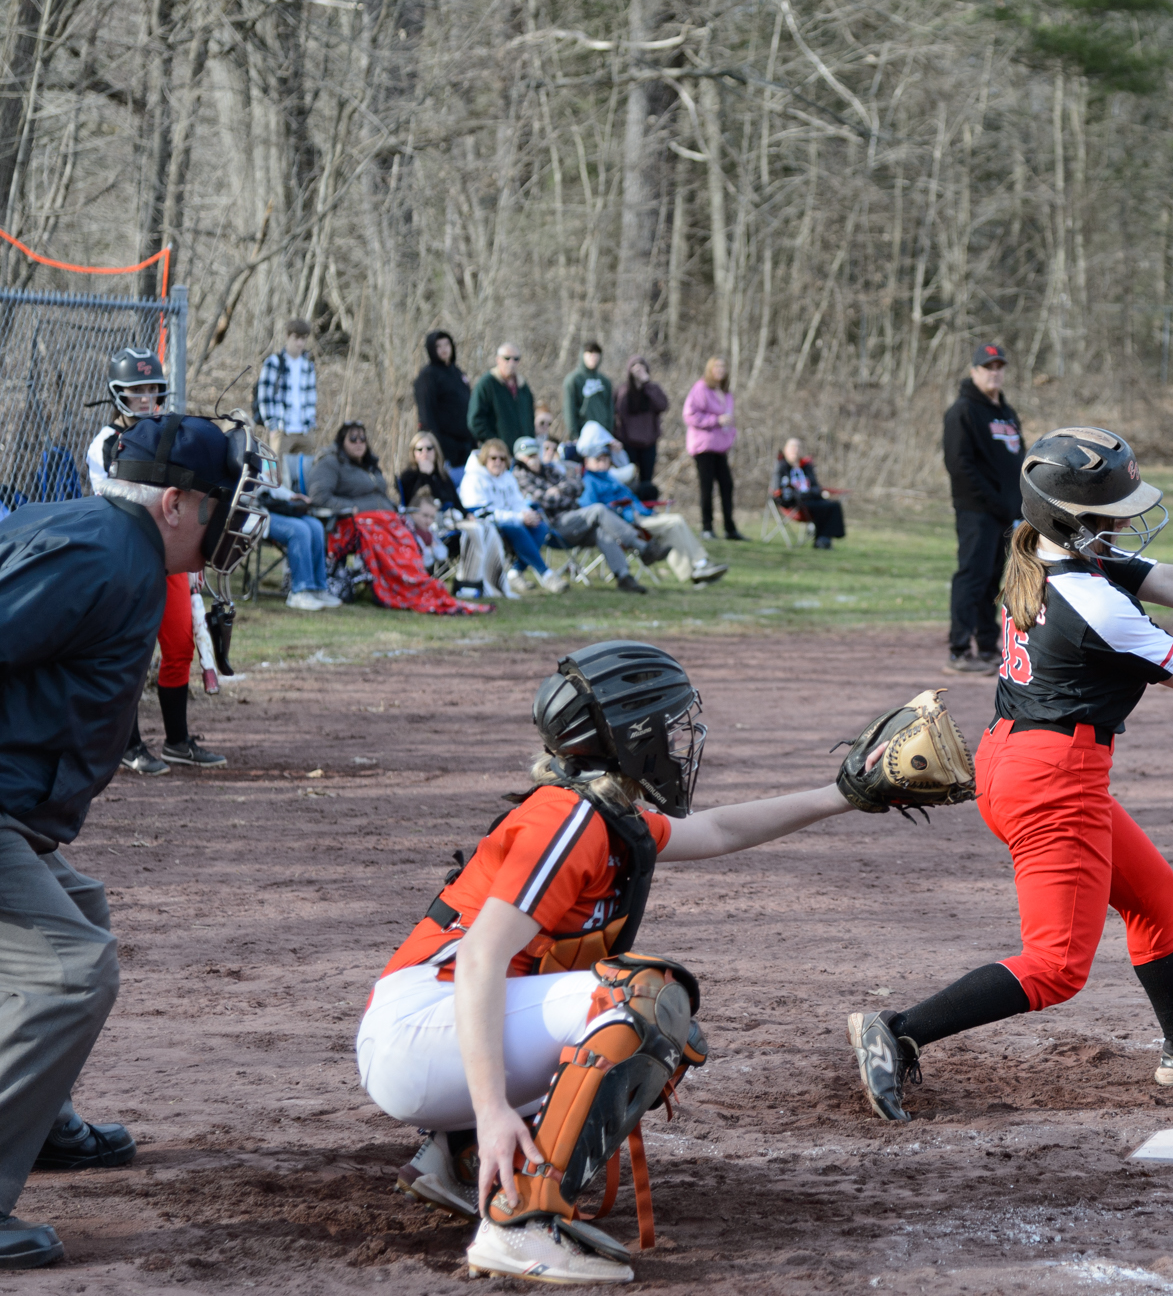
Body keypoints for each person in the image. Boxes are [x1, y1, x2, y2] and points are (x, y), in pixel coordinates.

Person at [356, 642, 943, 1282]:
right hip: (419, 1031)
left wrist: (842, 794)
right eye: (666, 726)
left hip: (430, 1035)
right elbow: (478, 962)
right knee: (638, 1002)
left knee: (656, 1018)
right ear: (631, 736)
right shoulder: (569, 818)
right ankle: (519, 1222)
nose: (679, 739)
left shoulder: (601, 814)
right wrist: (494, 1109)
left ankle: (456, 1159)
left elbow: (717, 831)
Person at [846, 427, 1173, 1123]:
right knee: (1055, 964)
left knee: (1150, 892)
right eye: (1109, 514)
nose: (1123, 522)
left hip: (1021, 760)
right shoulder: (1098, 604)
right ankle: (899, 1030)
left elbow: (1165, 576)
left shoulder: (1046, 558)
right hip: (1054, 781)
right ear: (1072, 522)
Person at [0, 412, 263, 1270]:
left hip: (17, 811)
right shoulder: (105, 555)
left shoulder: (107, 541)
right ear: (177, 501)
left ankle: (36, 1120)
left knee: (79, 905)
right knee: (73, 967)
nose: (235, 517)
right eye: (223, 500)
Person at [85, 349, 226, 772]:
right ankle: (127, 745)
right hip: (130, 556)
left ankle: (177, 741)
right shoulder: (106, 442)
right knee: (134, 651)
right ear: (117, 394)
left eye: (152, 390)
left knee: (180, 645)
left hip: (172, 559)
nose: (146, 399)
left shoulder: (168, 433)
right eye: (136, 391)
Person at [309, 421, 492, 615]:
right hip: (353, 523)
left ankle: (420, 586)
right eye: (352, 438)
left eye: (362, 438)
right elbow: (319, 496)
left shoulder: (369, 466)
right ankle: (399, 590)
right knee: (388, 544)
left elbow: (383, 496)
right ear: (341, 441)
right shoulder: (330, 462)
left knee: (408, 543)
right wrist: (348, 508)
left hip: (387, 520)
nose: (359, 443)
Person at [941, 341, 1023, 674]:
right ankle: (960, 650)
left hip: (1007, 513)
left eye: (999, 366)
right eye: (987, 367)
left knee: (994, 580)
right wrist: (994, 501)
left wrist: (1017, 504)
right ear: (974, 371)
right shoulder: (962, 411)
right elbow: (959, 466)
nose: (994, 372)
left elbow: (1016, 461)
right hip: (977, 511)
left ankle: (988, 647)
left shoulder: (1007, 412)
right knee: (971, 578)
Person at [512, 435, 658, 595]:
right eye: (528, 457)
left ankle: (624, 577)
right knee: (598, 509)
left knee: (602, 532)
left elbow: (578, 486)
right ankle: (641, 547)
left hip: (576, 518)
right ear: (520, 459)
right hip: (556, 526)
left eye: (535, 455)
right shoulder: (520, 476)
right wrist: (562, 492)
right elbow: (546, 501)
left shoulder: (549, 469)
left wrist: (558, 490)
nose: (533, 460)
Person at [575, 440, 727, 585]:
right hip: (625, 522)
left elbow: (631, 498)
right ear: (588, 462)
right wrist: (619, 510)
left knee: (671, 529)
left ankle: (695, 572)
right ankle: (701, 563)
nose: (603, 463)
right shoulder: (588, 482)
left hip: (639, 514)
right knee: (675, 520)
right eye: (598, 460)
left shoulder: (611, 478)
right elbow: (591, 508)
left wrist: (645, 510)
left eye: (606, 459)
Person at [400, 430, 503, 600]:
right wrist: (424, 475)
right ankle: (467, 584)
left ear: (436, 451)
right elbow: (414, 503)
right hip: (430, 523)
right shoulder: (409, 476)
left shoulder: (443, 475)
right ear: (413, 453)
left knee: (486, 528)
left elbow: (456, 502)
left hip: (454, 519)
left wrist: (467, 515)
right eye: (420, 450)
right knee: (474, 531)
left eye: (429, 448)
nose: (425, 453)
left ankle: (492, 582)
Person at [458, 438, 567, 597]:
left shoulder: (507, 478)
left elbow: (517, 502)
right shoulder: (473, 478)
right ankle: (546, 574)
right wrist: (518, 517)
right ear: (484, 459)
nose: (498, 462)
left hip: (510, 520)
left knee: (540, 526)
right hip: (485, 525)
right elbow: (481, 511)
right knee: (515, 527)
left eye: (502, 458)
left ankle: (515, 573)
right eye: (493, 458)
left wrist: (526, 513)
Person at [254, 476, 337, 612]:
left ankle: (318, 589)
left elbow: (267, 482)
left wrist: (291, 496)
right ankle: (300, 591)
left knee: (316, 527)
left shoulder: (258, 455)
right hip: (252, 511)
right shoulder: (236, 456)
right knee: (299, 530)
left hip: (272, 506)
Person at [682, 357, 742, 541]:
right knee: (707, 487)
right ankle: (707, 527)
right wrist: (715, 420)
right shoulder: (701, 388)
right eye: (716, 367)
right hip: (704, 446)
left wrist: (731, 434)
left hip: (720, 447)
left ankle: (729, 528)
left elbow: (729, 418)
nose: (720, 370)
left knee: (727, 485)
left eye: (723, 367)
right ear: (710, 369)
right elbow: (690, 415)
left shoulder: (725, 393)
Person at [414, 331, 477, 478]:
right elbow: (426, 414)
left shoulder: (458, 373)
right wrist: (437, 446)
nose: (444, 349)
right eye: (438, 346)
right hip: (445, 446)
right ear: (431, 349)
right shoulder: (428, 376)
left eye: (447, 344)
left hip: (466, 445)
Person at [254, 318, 317, 463]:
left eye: (303, 339)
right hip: (282, 429)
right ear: (288, 336)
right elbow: (264, 396)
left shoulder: (308, 365)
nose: (300, 343)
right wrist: (272, 425)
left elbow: (311, 396)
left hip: (304, 430)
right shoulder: (274, 362)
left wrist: (311, 424)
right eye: (296, 338)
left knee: (302, 478)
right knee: (277, 477)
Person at [772, 437, 846, 550]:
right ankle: (822, 540)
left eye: (798, 447)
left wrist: (812, 492)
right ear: (785, 449)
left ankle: (824, 539)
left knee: (833, 505)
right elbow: (778, 489)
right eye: (792, 447)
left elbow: (816, 486)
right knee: (824, 507)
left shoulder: (806, 467)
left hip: (811, 498)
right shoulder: (782, 467)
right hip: (795, 503)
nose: (795, 450)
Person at [612, 356, 668, 502]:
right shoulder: (623, 390)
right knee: (628, 478)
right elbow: (617, 410)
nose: (639, 370)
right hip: (628, 441)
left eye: (642, 367)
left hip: (648, 442)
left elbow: (662, 405)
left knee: (647, 479)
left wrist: (646, 383)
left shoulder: (653, 389)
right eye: (635, 367)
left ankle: (647, 507)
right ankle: (629, 506)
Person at [470, 344, 536, 451]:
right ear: (498, 359)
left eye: (516, 359)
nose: (511, 362)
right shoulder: (486, 384)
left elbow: (530, 419)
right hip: (497, 455)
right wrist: (494, 443)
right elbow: (475, 421)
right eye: (507, 358)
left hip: (523, 451)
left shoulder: (523, 387)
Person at [562, 342, 614, 441]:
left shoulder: (605, 381)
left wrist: (609, 433)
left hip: (603, 434)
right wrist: (574, 435)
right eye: (589, 353)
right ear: (582, 355)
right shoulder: (574, 379)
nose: (593, 357)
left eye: (596, 354)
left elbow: (610, 408)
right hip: (583, 434)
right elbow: (569, 409)